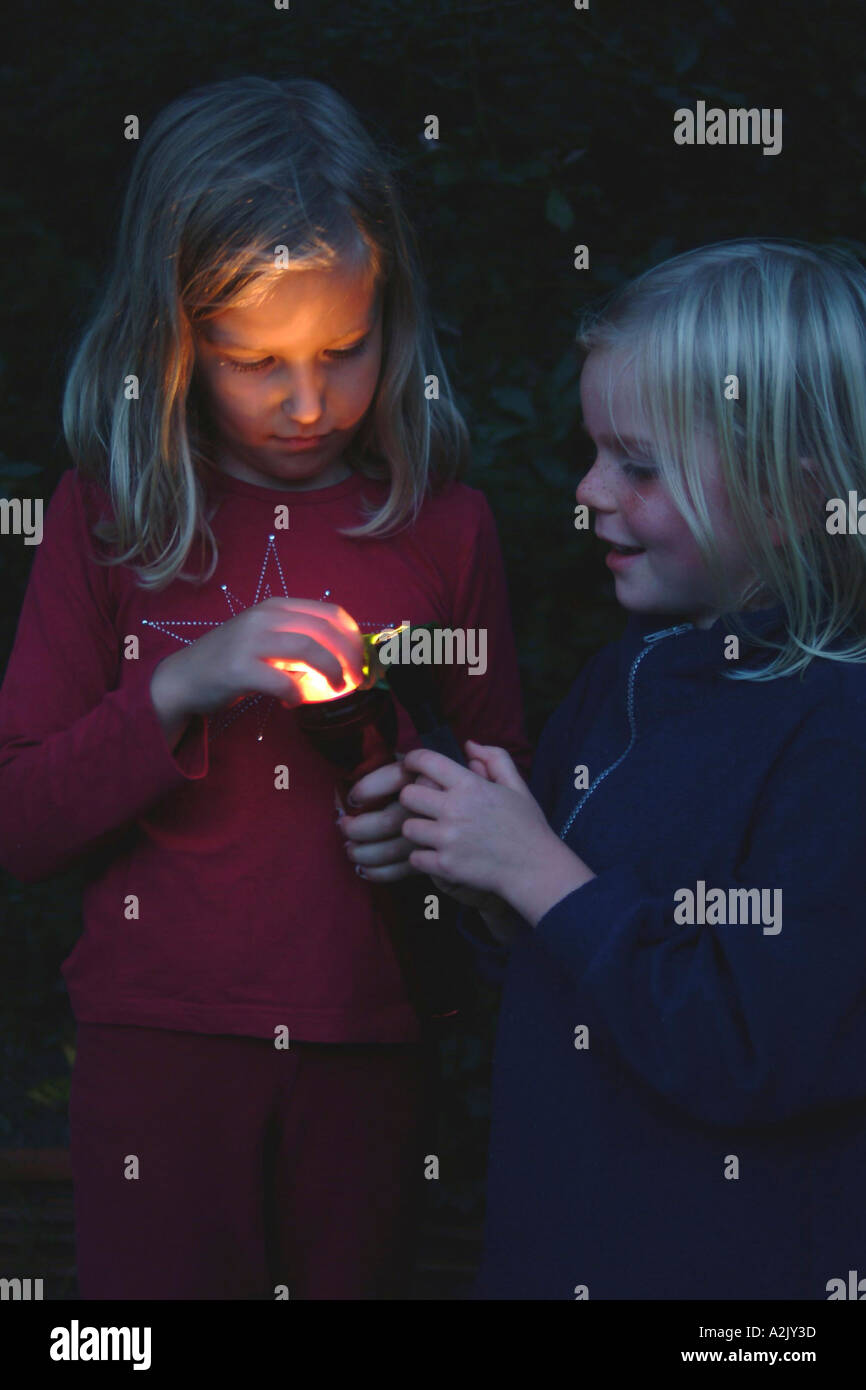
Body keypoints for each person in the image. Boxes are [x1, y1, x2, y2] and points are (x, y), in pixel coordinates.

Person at [0, 75, 529, 1300]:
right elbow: (21, 821)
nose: (306, 402)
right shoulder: (108, 521)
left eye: (344, 351)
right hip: (159, 1046)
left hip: (369, 1042)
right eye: (254, 362)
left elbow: (512, 818)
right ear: (172, 340)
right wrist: (181, 684)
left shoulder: (445, 526)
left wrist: (427, 818)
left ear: (394, 320)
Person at [398, 239, 866, 1299]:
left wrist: (536, 874)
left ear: (793, 495)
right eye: (592, 450)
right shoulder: (624, 679)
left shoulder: (837, 729)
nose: (587, 489)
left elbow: (751, 1047)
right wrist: (478, 878)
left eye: (637, 464)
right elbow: (574, 957)